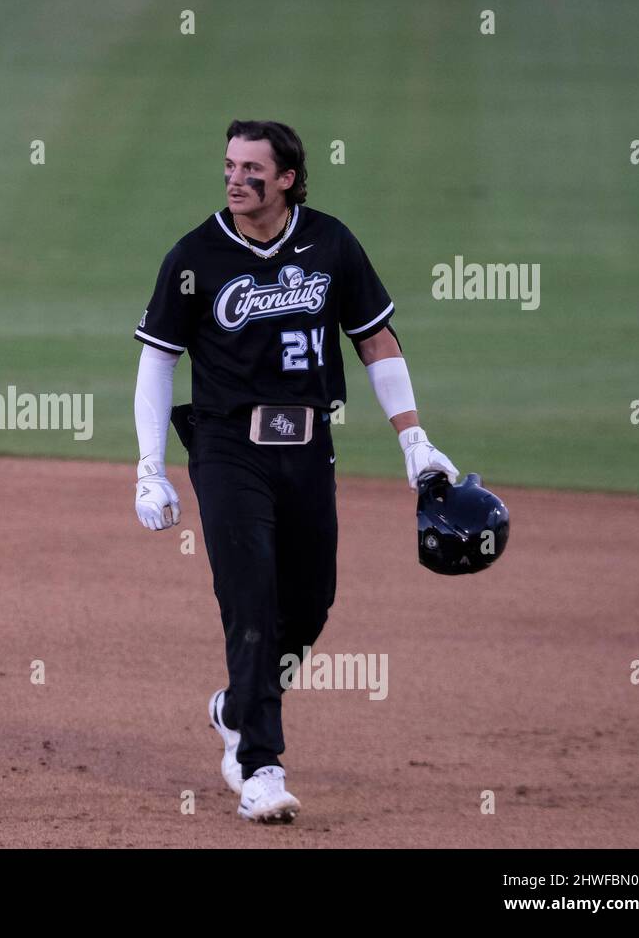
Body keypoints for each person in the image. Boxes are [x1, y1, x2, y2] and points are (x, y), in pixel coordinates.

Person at [131, 120, 458, 823]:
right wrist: (149, 467)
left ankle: (234, 707)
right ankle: (259, 765)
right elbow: (158, 357)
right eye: (228, 165)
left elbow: (375, 337)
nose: (235, 178)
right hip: (226, 450)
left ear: (286, 178)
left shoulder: (331, 243)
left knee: (309, 605)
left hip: (308, 449)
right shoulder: (195, 255)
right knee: (250, 600)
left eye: (252, 168)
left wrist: (414, 439)